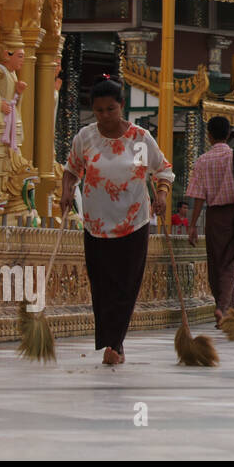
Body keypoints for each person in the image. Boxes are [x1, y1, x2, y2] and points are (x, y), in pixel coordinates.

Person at [62, 75, 174, 366]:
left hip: (134, 220)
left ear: (121, 106)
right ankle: (111, 340)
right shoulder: (86, 137)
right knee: (101, 284)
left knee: (126, 283)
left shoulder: (139, 138)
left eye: (110, 109)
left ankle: (116, 344)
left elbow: (163, 171)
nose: (105, 116)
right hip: (96, 223)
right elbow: (71, 169)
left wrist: (161, 196)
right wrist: (65, 191)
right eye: (99, 111)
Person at [185, 115, 234, 324]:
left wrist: (192, 226)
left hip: (213, 217)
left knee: (216, 264)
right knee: (229, 264)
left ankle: (228, 314)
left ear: (208, 136)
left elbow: (198, 196)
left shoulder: (202, 161)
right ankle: (223, 309)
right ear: (228, 134)